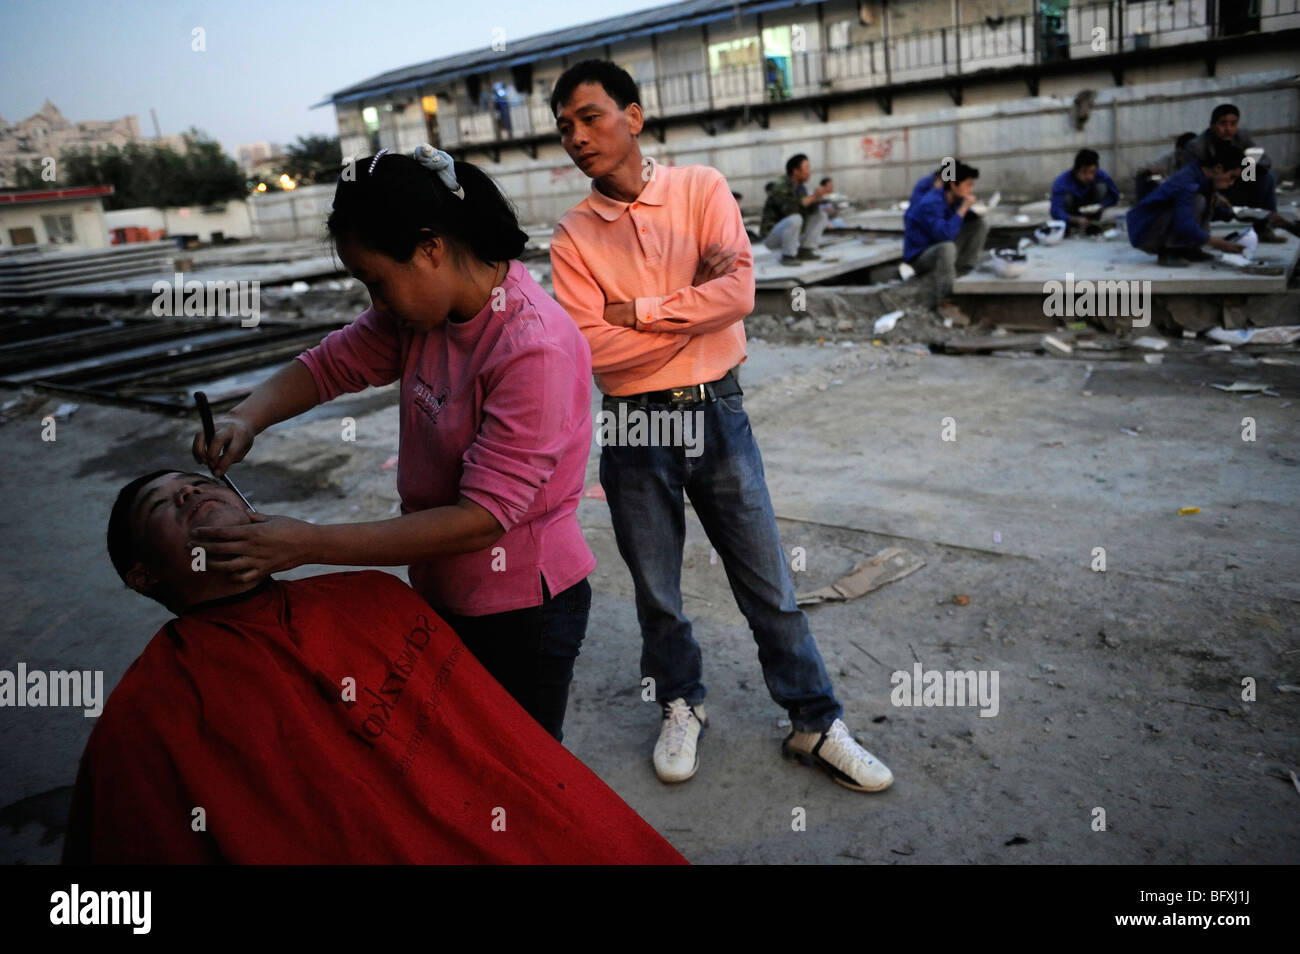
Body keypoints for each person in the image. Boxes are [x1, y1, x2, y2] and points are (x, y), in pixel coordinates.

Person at [547, 59, 893, 793]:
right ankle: (681, 703)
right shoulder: (573, 237)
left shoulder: (701, 190)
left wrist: (637, 312)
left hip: (716, 408)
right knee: (657, 590)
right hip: (635, 423)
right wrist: (689, 310)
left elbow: (738, 291)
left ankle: (814, 720)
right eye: (565, 126)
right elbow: (590, 349)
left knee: (767, 582)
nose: (577, 136)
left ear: (633, 117)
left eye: (590, 116)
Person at [63, 470, 686, 865]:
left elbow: (502, 743)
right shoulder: (150, 712)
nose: (192, 493)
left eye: (199, 483)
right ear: (143, 576)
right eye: (165, 507)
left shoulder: (373, 596)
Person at [191, 145, 595, 742]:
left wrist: (308, 543)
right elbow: (330, 365)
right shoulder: (419, 317)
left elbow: (480, 520)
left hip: (521, 611)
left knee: (516, 772)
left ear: (430, 248)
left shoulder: (532, 348)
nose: (375, 305)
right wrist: (248, 418)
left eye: (377, 283)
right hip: (443, 586)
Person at [1125, 139, 1245, 267]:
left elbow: (1209, 212)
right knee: (1198, 200)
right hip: (1145, 232)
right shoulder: (1188, 182)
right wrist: (1219, 243)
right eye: (1232, 177)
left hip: (1158, 227)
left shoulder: (1204, 179)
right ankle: (1170, 252)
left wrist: (1230, 213)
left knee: (1209, 199)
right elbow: (1184, 223)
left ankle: (1189, 249)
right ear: (1218, 168)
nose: (1231, 183)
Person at [1186, 103, 1285, 241]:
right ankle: (1195, 236)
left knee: (1268, 177)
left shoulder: (1241, 137)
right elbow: (1190, 179)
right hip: (1211, 190)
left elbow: (1264, 161)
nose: (1228, 129)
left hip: (1236, 185)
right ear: (1212, 125)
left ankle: (1263, 228)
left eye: (1233, 124)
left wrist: (1243, 168)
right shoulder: (1196, 147)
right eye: (1223, 124)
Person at [902, 160, 989, 311]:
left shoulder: (953, 198)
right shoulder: (930, 202)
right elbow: (944, 235)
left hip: (938, 246)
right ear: (954, 185)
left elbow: (963, 219)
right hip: (921, 256)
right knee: (947, 247)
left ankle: (962, 269)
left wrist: (970, 211)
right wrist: (963, 208)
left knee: (979, 224)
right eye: (968, 185)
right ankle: (947, 300)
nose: (971, 190)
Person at [759, 152, 832, 265]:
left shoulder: (801, 188)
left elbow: (806, 210)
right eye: (806, 168)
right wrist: (813, 197)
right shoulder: (780, 186)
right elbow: (790, 210)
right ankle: (788, 256)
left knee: (821, 215)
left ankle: (805, 250)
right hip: (771, 237)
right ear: (796, 171)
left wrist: (817, 201)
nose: (809, 171)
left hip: (790, 234)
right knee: (795, 218)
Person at [1050, 149, 1120, 234]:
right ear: (1076, 170)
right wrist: (1074, 219)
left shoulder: (1101, 175)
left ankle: (1092, 224)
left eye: (1092, 172)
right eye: (1084, 172)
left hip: (1093, 210)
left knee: (1101, 187)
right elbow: (1056, 210)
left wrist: (1102, 205)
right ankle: (1070, 226)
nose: (1089, 177)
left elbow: (1114, 195)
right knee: (1067, 197)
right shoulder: (1062, 182)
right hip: (1072, 213)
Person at [1134, 132, 1197, 202]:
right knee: (1147, 178)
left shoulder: (1197, 161)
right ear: (1179, 151)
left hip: (1187, 196)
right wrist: (1151, 170)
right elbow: (1137, 170)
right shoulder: (1167, 159)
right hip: (1169, 192)